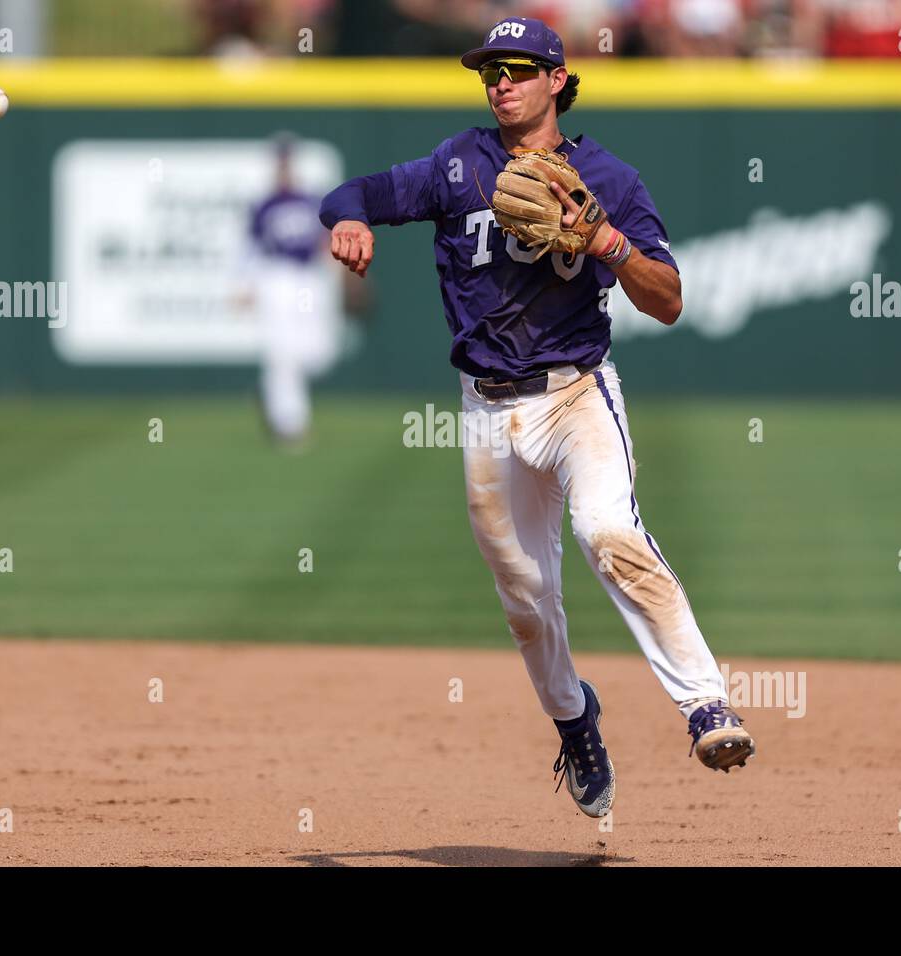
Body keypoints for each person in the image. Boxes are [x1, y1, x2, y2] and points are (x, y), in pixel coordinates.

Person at [318, 16, 754, 819]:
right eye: (490, 71)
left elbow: (668, 299)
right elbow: (357, 193)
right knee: (524, 596)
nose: (501, 82)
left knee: (609, 532)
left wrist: (608, 242)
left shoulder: (609, 179)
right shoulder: (458, 165)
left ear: (558, 78)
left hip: (576, 395)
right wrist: (344, 220)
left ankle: (706, 705)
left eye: (519, 68)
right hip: (487, 412)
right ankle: (575, 720)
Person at [245, 134, 339, 446]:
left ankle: (277, 395)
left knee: (315, 353)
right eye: (280, 162)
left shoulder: (310, 200)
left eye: (288, 161)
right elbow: (250, 249)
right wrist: (247, 285)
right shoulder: (264, 205)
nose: (284, 168)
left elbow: (325, 241)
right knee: (282, 355)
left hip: (309, 278)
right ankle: (289, 422)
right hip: (277, 278)